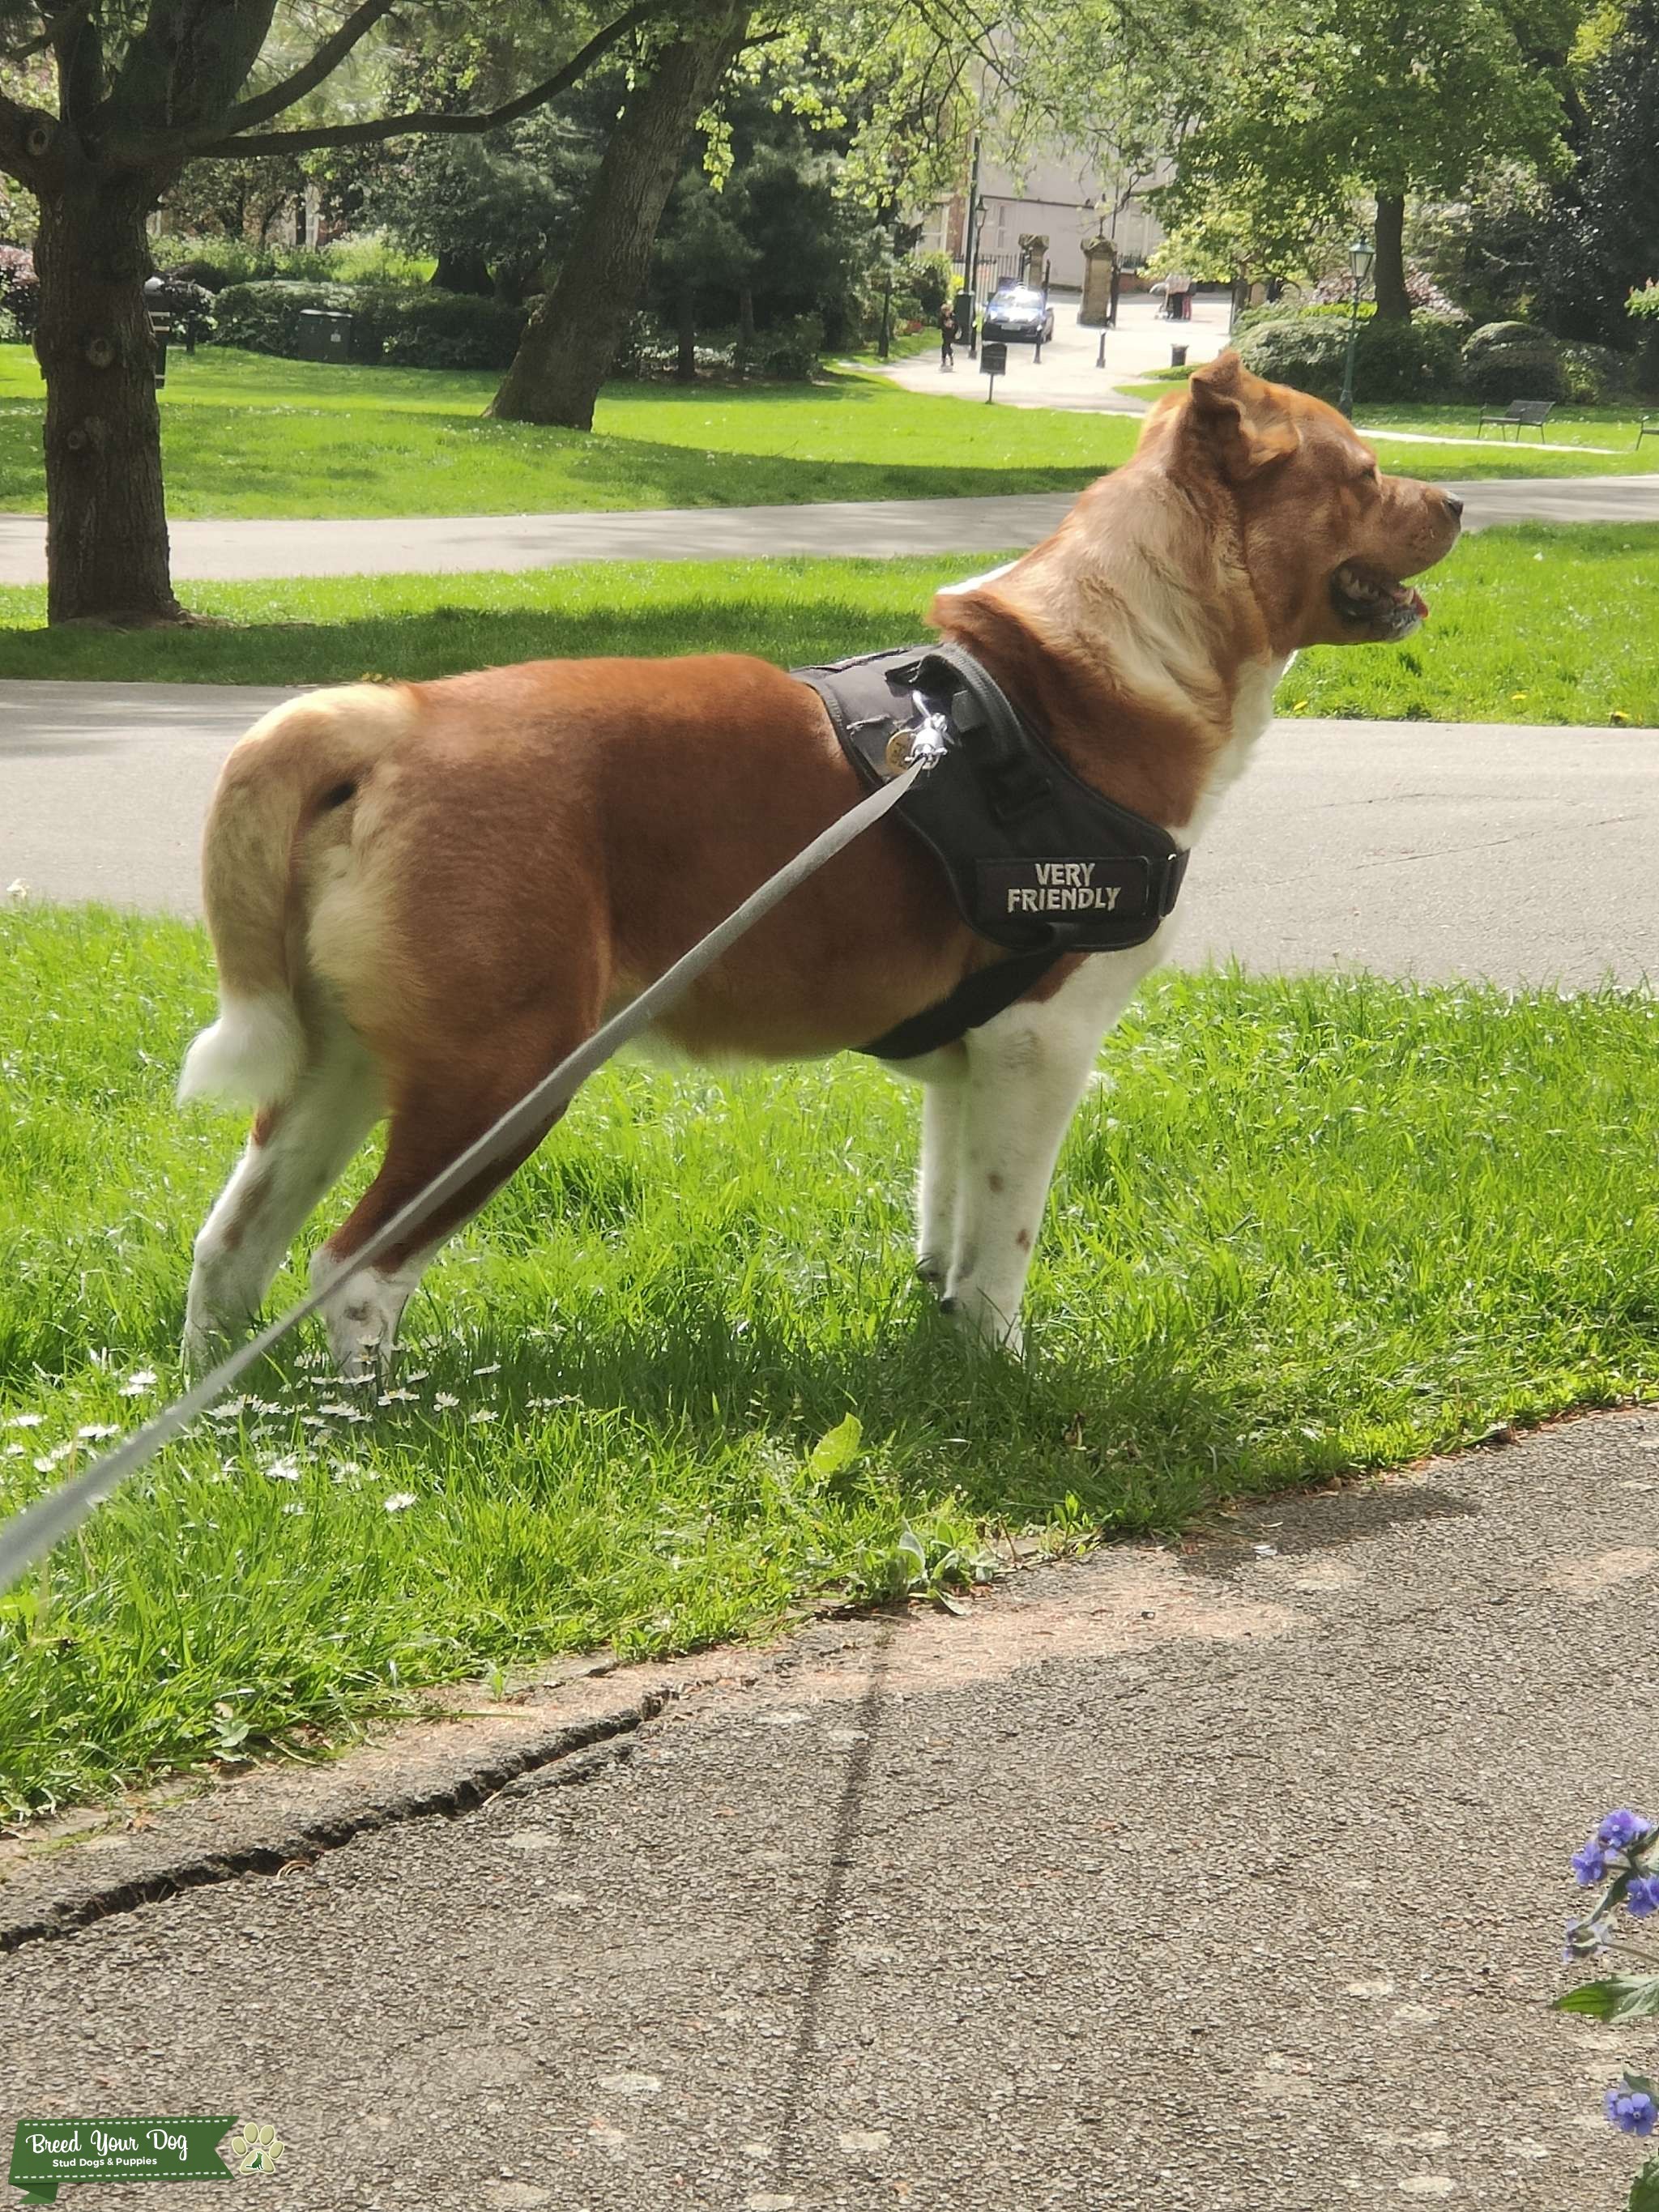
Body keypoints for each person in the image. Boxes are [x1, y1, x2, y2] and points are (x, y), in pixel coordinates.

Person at [939, 303, 956, 370]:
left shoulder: (952, 316)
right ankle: (946, 359)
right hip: (945, 333)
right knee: (945, 346)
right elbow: (939, 325)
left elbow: (956, 325)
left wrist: (952, 326)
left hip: (951, 334)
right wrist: (945, 326)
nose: (946, 312)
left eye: (947, 311)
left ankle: (947, 358)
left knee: (946, 346)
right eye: (944, 311)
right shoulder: (942, 317)